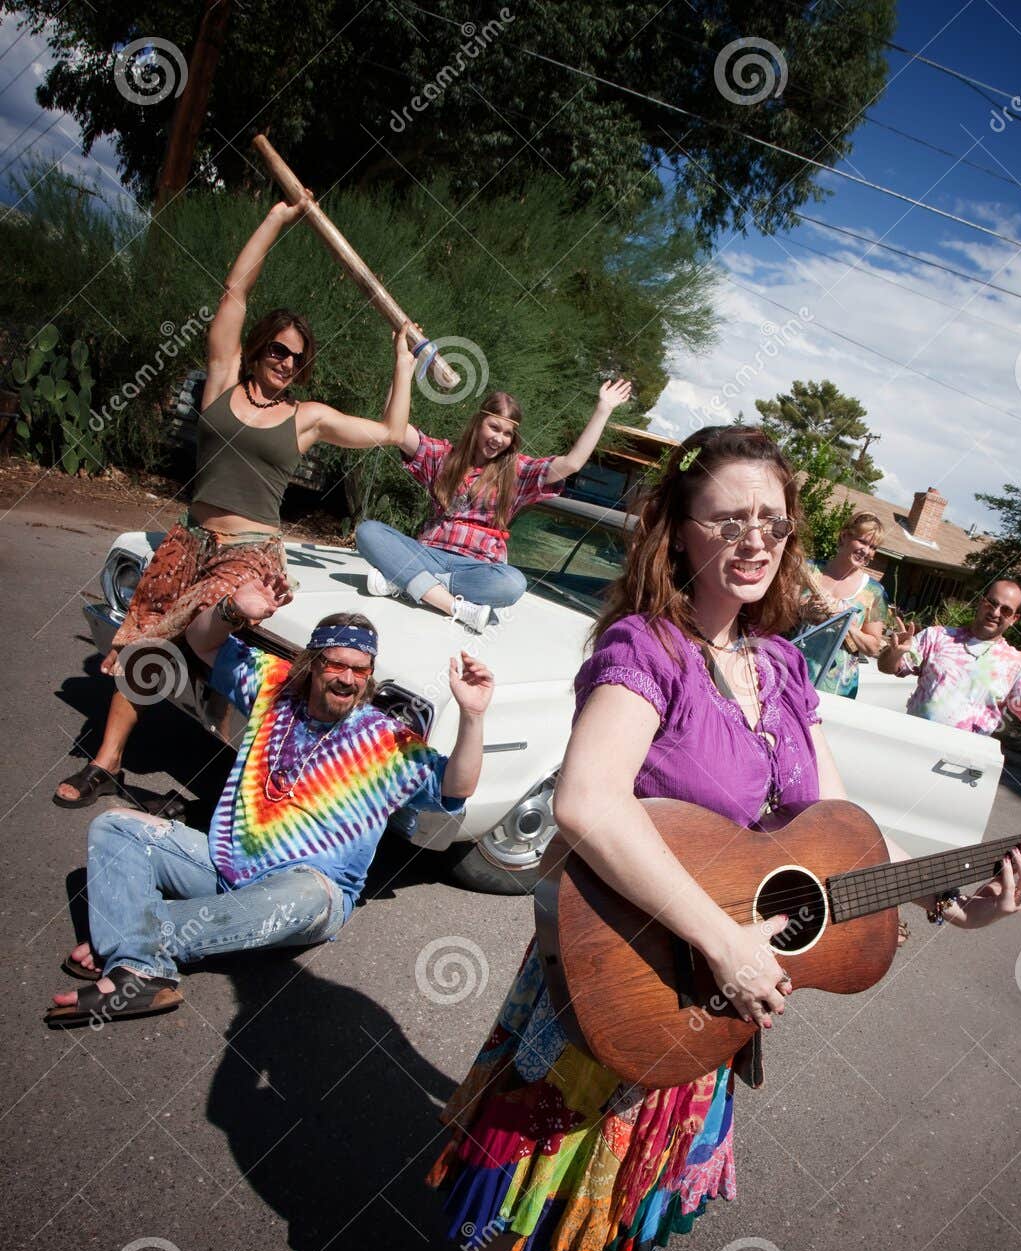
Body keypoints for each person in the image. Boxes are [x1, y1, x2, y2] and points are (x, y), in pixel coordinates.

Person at [424, 424, 1021, 1251]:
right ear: (680, 529)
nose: (755, 539)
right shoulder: (645, 648)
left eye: (773, 519)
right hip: (619, 969)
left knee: (638, 1174)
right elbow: (586, 802)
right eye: (730, 517)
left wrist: (961, 898)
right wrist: (718, 934)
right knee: (545, 1169)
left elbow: (841, 833)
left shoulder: (779, 669)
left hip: (718, 996)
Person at [55, 190, 416, 809]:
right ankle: (107, 763)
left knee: (197, 631)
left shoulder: (305, 418)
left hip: (250, 551)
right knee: (145, 641)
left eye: (297, 360)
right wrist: (277, 218)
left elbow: (387, 432)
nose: (285, 363)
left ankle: (239, 670)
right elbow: (233, 295)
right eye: (277, 349)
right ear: (257, 348)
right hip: (191, 542)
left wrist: (402, 364)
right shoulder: (221, 382)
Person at [45, 592, 493, 1028]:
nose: (347, 679)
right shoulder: (274, 688)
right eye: (336, 664)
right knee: (114, 827)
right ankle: (137, 957)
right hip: (223, 865)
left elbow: (456, 788)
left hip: (308, 891)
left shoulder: (386, 741)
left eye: (360, 669)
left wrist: (472, 716)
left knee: (305, 897)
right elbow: (204, 643)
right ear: (312, 663)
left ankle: (132, 949)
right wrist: (231, 609)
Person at [356, 377, 632, 634]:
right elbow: (396, 429)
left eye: (508, 433)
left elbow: (571, 463)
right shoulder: (443, 456)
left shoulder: (517, 471)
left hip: (477, 568)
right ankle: (453, 606)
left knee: (513, 584)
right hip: (427, 553)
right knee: (368, 531)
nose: (499, 438)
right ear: (478, 423)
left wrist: (603, 409)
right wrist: (403, 366)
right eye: (494, 427)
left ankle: (409, 583)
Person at [877, 579, 1021, 733]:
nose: (996, 612)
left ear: (1014, 619)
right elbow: (887, 667)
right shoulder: (937, 636)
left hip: (961, 763)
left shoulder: (1017, 665)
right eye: (992, 603)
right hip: (913, 741)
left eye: (1006, 610)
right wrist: (893, 653)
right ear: (982, 602)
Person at [799, 512, 889, 697]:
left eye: (873, 547)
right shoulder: (808, 570)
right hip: (789, 671)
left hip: (836, 685)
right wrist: (804, 612)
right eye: (863, 542)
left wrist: (847, 624)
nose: (866, 551)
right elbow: (776, 615)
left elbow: (873, 647)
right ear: (844, 536)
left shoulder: (874, 592)